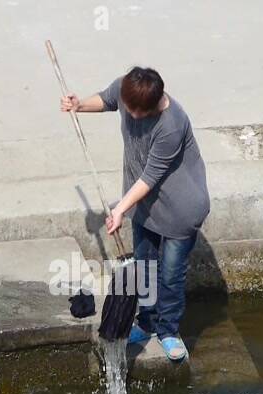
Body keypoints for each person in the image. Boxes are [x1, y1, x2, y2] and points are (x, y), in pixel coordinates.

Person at [61, 67, 210, 361]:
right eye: (127, 107)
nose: (128, 114)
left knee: (170, 275)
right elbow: (107, 99)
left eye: (135, 111)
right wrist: (79, 106)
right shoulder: (130, 87)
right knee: (144, 268)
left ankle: (168, 330)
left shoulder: (171, 125)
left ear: (151, 107)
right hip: (145, 207)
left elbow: (149, 176)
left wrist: (118, 209)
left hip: (180, 211)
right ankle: (147, 321)